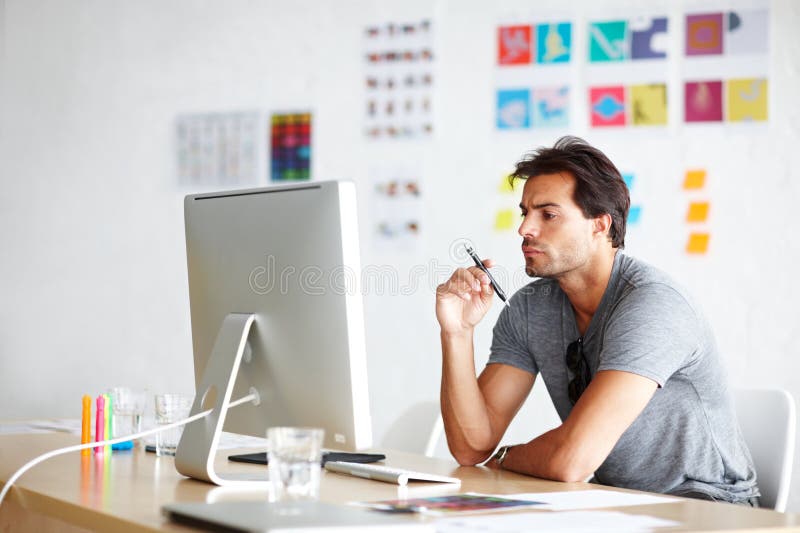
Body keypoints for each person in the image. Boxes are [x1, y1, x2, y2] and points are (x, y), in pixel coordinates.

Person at [435, 136, 760, 505]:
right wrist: (457, 333)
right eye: (525, 212)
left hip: (709, 508)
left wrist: (504, 458)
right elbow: (471, 446)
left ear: (600, 225)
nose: (524, 228)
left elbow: (571, 460)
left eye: (548, 214)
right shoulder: (529, 309)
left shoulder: (653, 305)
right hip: (612, 502)